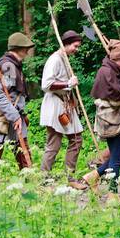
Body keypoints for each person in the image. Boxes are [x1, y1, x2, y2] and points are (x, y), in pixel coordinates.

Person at [71, 39, 120, 194]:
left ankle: (93, 176)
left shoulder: (116, 71)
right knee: (117, 157)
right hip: (109, 121)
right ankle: (112, 194)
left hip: (117, 119)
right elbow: (116, 100)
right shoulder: (106, 72)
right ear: (119, 57)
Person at [0, 32, 35, 168]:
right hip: (5, 116)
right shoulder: (8, 66)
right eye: (26, 49)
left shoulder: (13, 65)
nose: (27, 52)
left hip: (14, 115)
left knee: (23, 154)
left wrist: (18, 115)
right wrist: (14, 115)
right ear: (20, 49)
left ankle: (31, 182)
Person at [40, 30, 85, 178]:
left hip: (65, 104)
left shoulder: (64, 58)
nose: (76, 49)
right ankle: (43, 176)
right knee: (54, 142)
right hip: (55, 104)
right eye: (75, 46)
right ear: (66, 44)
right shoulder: (55, 59)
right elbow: (46, 84)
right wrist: (67, 83)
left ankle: (69, 175)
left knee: (77, 138)